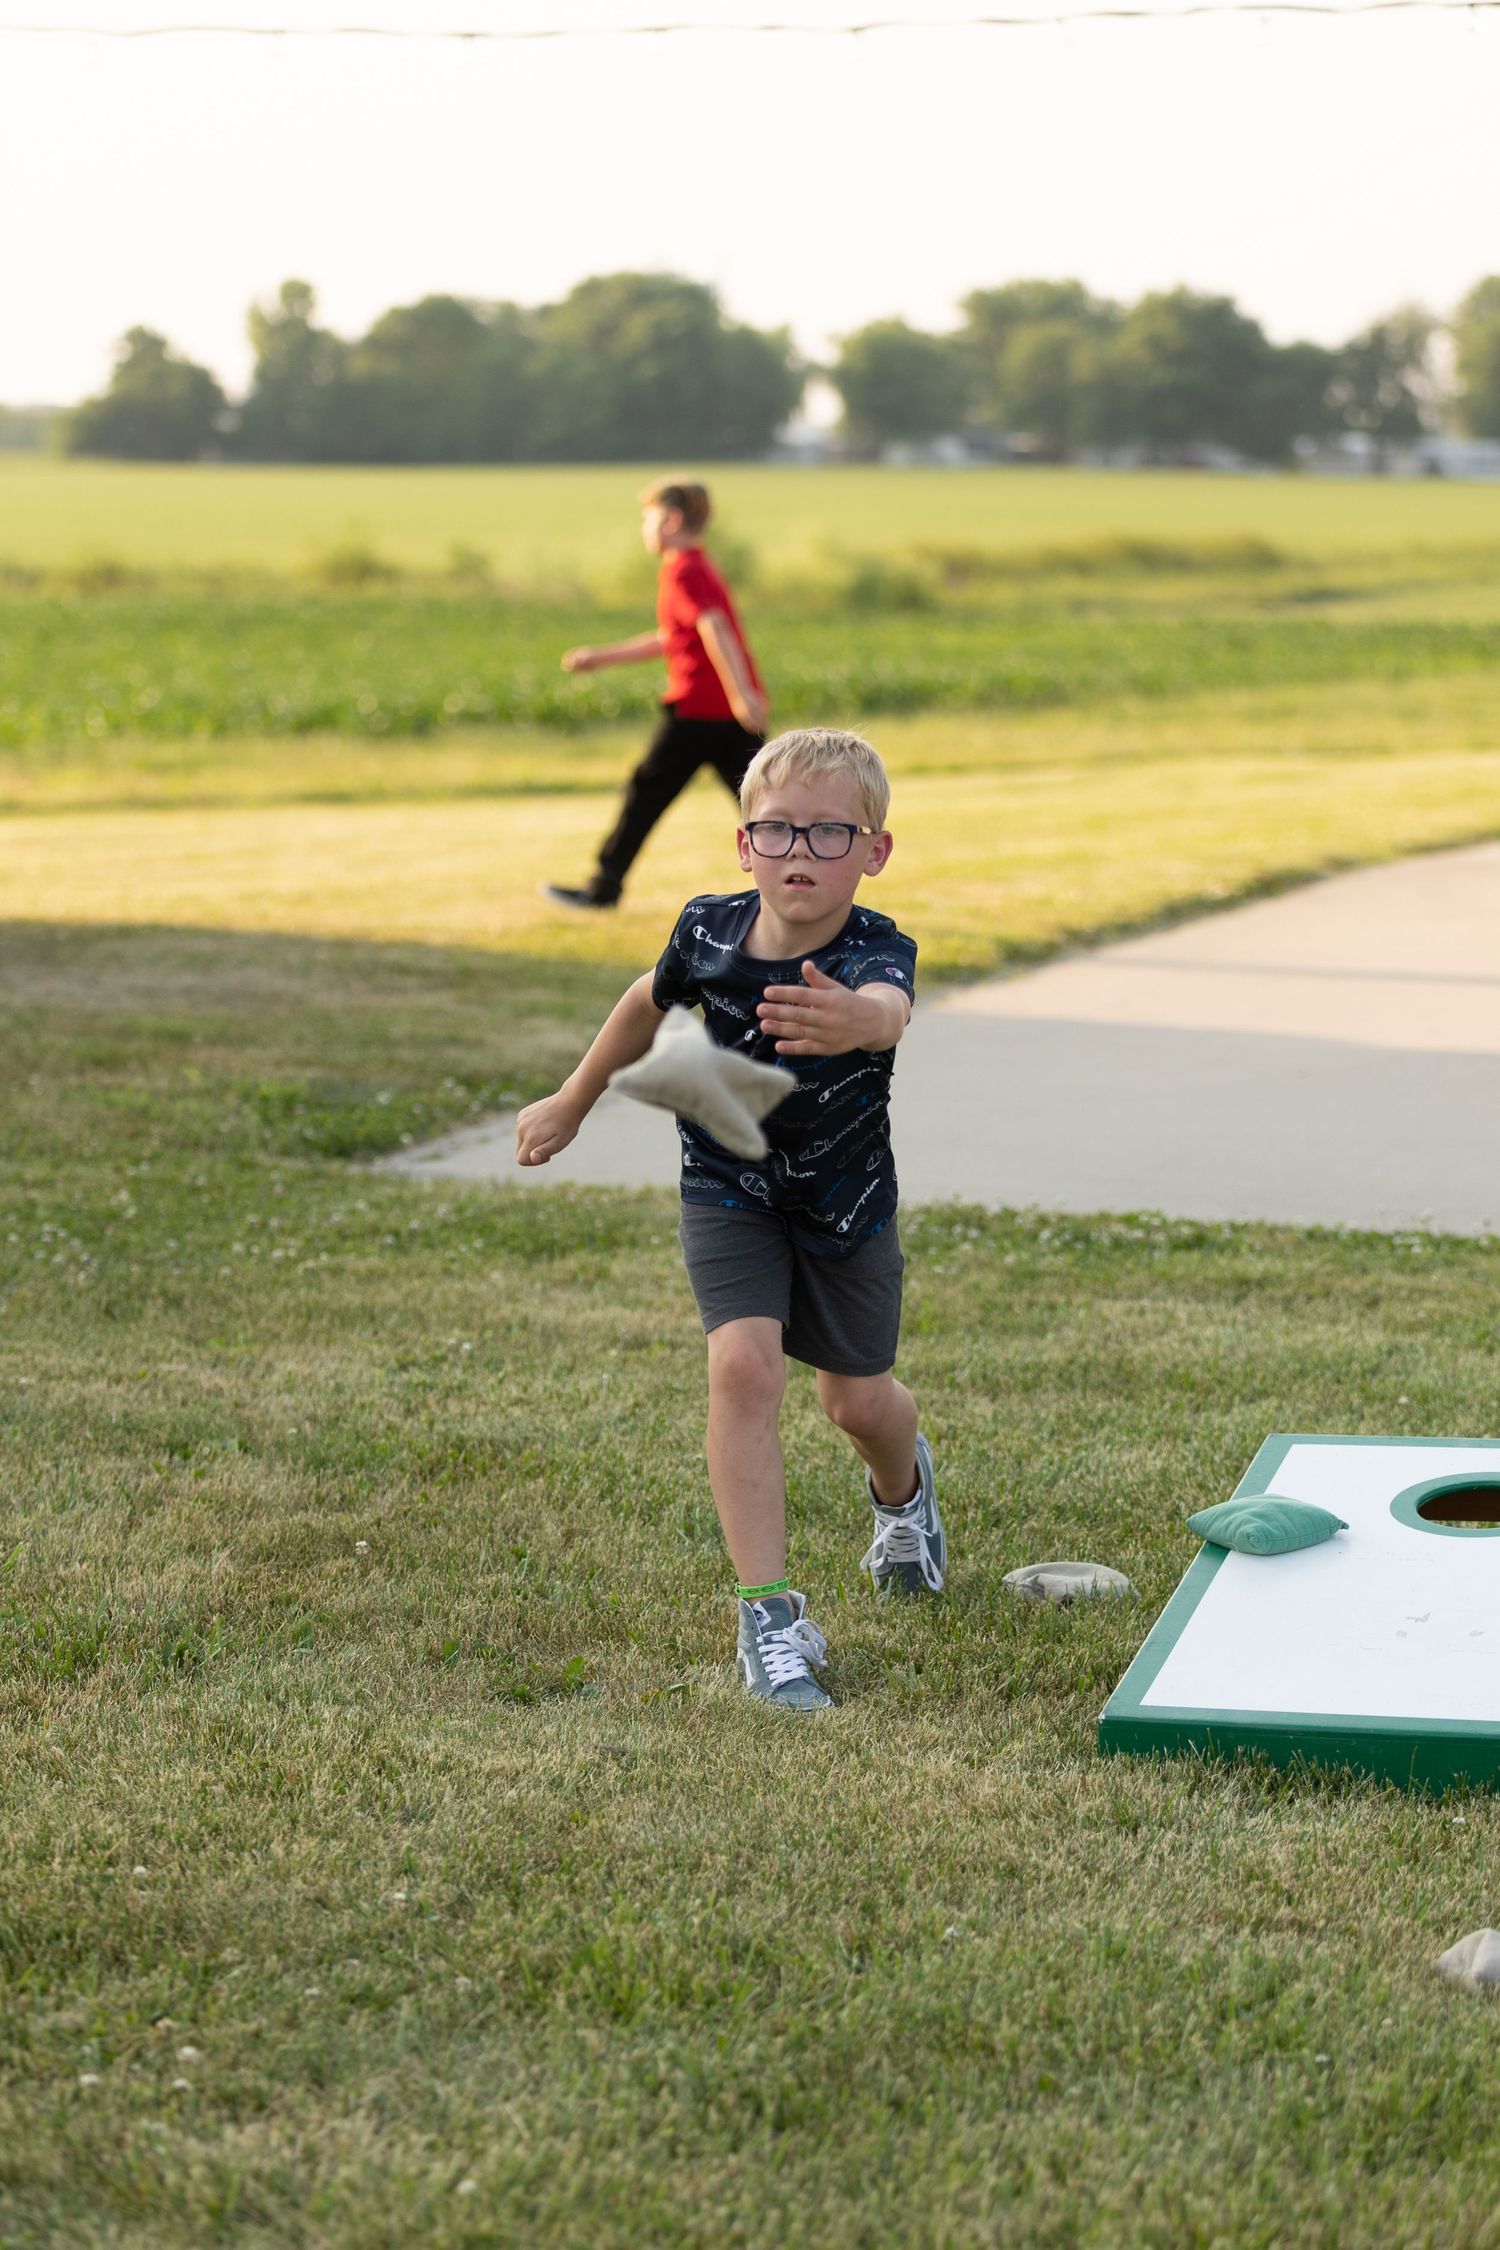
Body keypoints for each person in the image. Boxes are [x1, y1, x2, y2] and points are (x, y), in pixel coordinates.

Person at [517, 727, 945, 1712]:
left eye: (832, 833)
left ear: (874, 851)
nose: (801, 852)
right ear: (742, 843)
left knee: (857, 1402)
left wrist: (856, 1022)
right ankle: (768, 1619)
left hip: (844, 1206)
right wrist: (573, 1100)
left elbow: (887, 1010)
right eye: (779, 830)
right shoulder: (706, 931)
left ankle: (902, 1496)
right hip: (730, 1188)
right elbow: (643, 999)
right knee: (742, 1364)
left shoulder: (875, 947)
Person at [544, 479, 769, 911]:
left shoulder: (684, 568)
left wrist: (741, 695)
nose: (644, 527)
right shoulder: (692, 565)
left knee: (647, 791)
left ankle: (603, 886)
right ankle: (810, 885)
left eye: (648, 518)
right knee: (767, 803)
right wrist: (601, 658)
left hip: (702, 711)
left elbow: (715, 627)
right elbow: (675, 636)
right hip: (717, 712)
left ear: (672, 520)